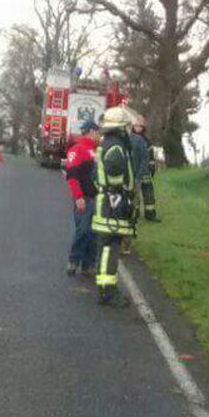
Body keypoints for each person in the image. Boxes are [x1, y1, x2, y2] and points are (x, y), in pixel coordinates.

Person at [91, 106, 138, 306]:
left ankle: (106, 288)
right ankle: (107, 292)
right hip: (113, 204)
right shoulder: (116, 147)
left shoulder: (106, 143)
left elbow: (96, 176)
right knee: (110, 247)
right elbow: (114, 172)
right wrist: (122, 194)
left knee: (106, 247)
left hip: (107, 202)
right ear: (121, 127)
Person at [65, 121, 100, 277]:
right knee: (83, 230)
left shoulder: (97, 151)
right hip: (84, 197)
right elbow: (72, 177)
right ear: (91, 131)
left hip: (97, 198)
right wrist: (78, 197)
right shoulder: (77, 150)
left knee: (94, 234)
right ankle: (74, 261)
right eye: (97, 132)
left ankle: (89, 265)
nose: (98, 135)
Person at [130, 118, 159, 222]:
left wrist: (152, 167)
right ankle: (134, 214)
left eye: (140, 126)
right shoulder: (130, 139)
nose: (138, 128)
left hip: (145, 171)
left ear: (143, 127)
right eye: (136, 125)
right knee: (134, 194)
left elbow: (150, 157)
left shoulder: (147, 141)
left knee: (148, 193)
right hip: (134, 170)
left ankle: (150, 214)